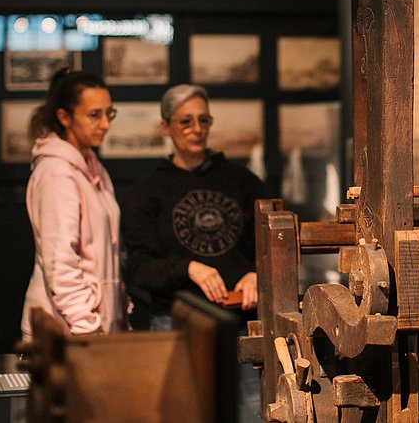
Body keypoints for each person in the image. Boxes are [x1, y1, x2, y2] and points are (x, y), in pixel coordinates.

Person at [121, 84, 262, 331]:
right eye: (186, 122)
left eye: (203, 120)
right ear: (166, 127)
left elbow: (273, 243)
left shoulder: (243, 182)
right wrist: (187, 268)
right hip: (175, 321)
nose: (197, 129)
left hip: (243, 320)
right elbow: (139, 269)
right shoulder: (147, 192)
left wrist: (257, 274)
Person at [20, 69, 126, 338]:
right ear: (64, 117)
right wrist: (87, 329)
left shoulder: (91, 166)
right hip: (69, 334)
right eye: (94, 115)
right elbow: (62, 262)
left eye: (108, 113)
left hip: (93, 329)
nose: (105, 124)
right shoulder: (57, 172)